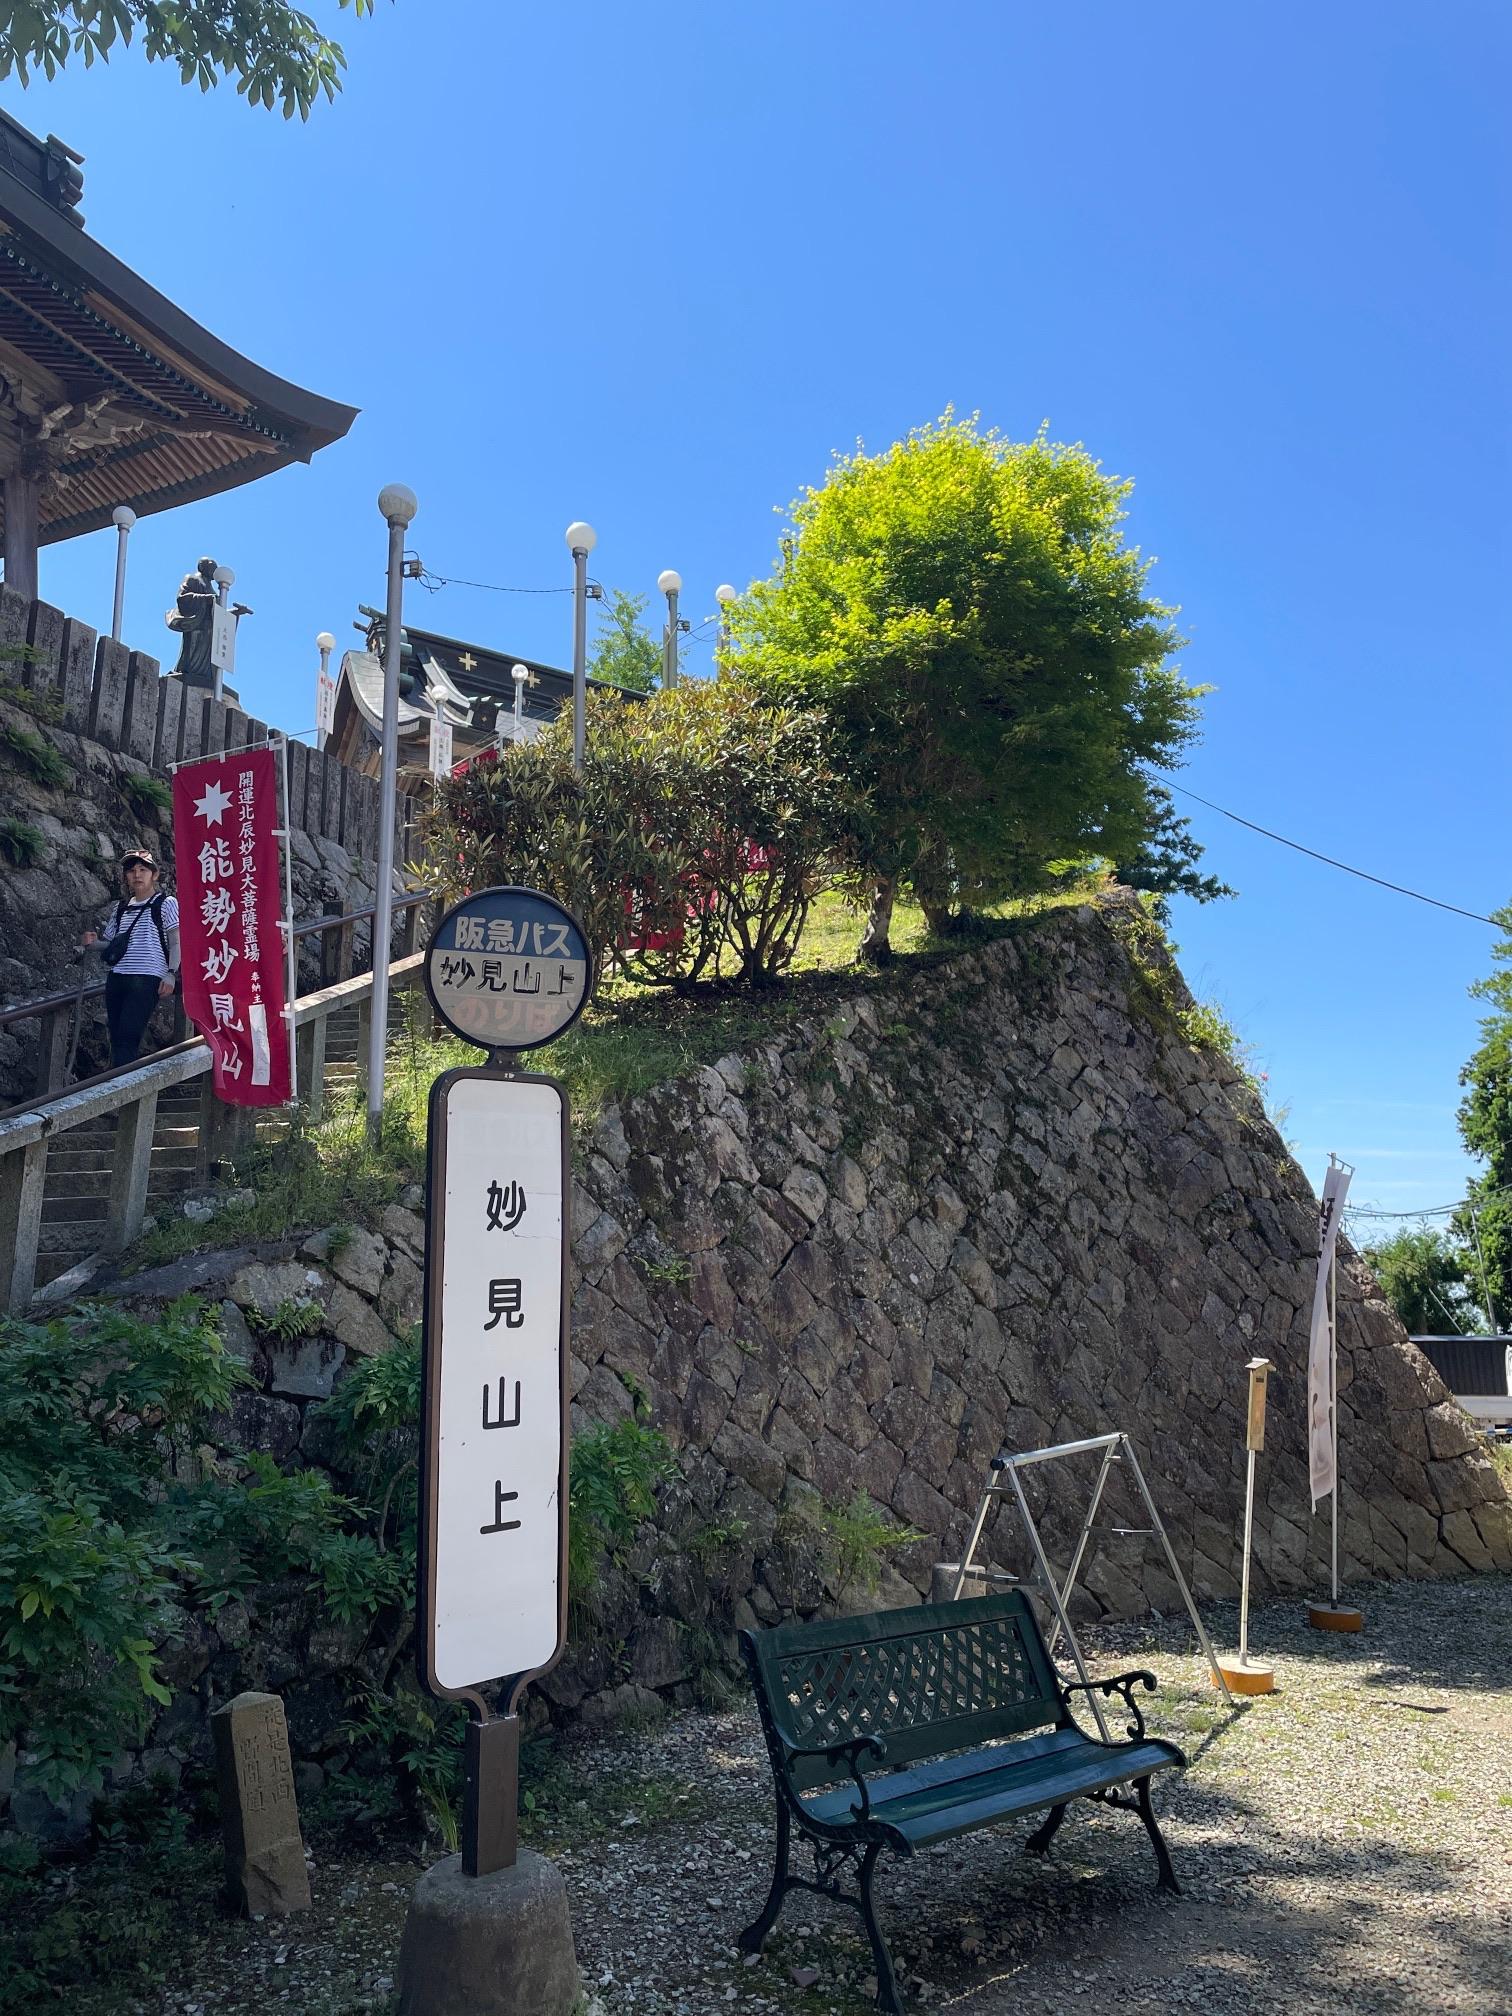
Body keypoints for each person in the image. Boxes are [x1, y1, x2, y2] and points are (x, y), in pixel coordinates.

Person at [82, 850, 181, 1066]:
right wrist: (93, 944)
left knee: (128, 1035)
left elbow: (176, 942)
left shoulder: (166, 903)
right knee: (116, 1036)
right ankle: (119, 1088)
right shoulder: (121, 907)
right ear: (126, 876)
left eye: (143, 870)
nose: (137, 875)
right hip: (117, 977)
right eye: (132, 871)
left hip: (147, 978)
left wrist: (171, 974)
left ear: (154, 875)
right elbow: (111, 944)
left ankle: (123, 1093)